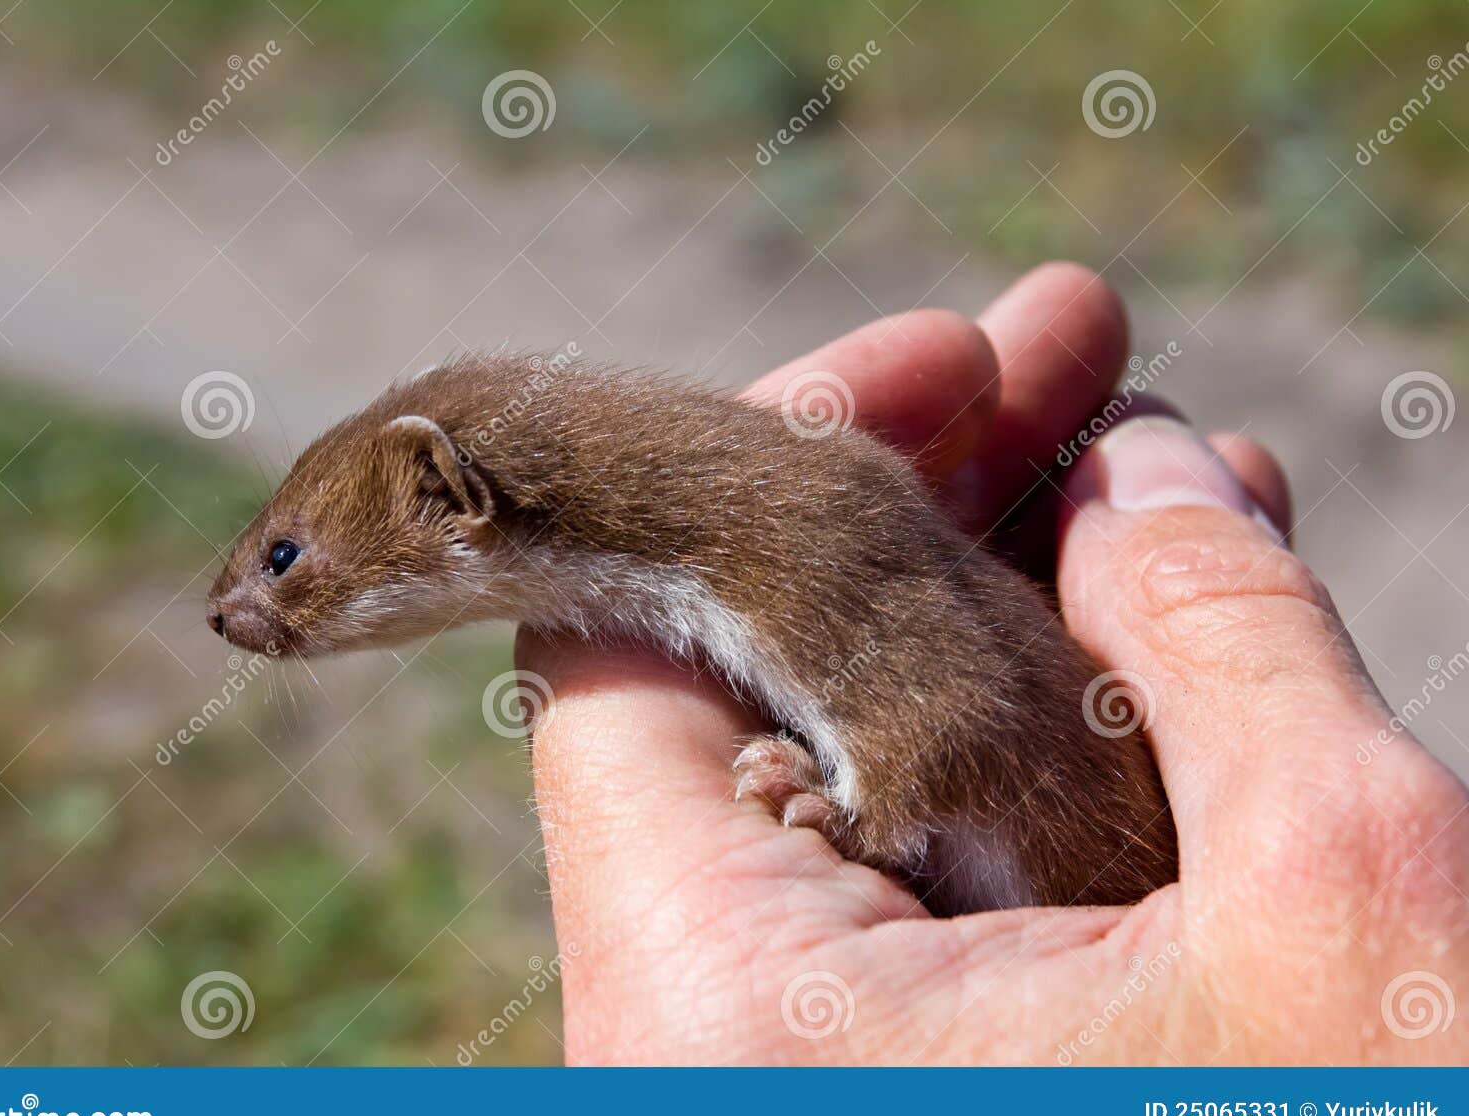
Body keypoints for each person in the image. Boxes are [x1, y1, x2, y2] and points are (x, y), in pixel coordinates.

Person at [514, 262, 1469, 1064]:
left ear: (453, 499)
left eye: (352, 576)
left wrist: (858, 812)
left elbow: (952, 728)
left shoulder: (817, 585)